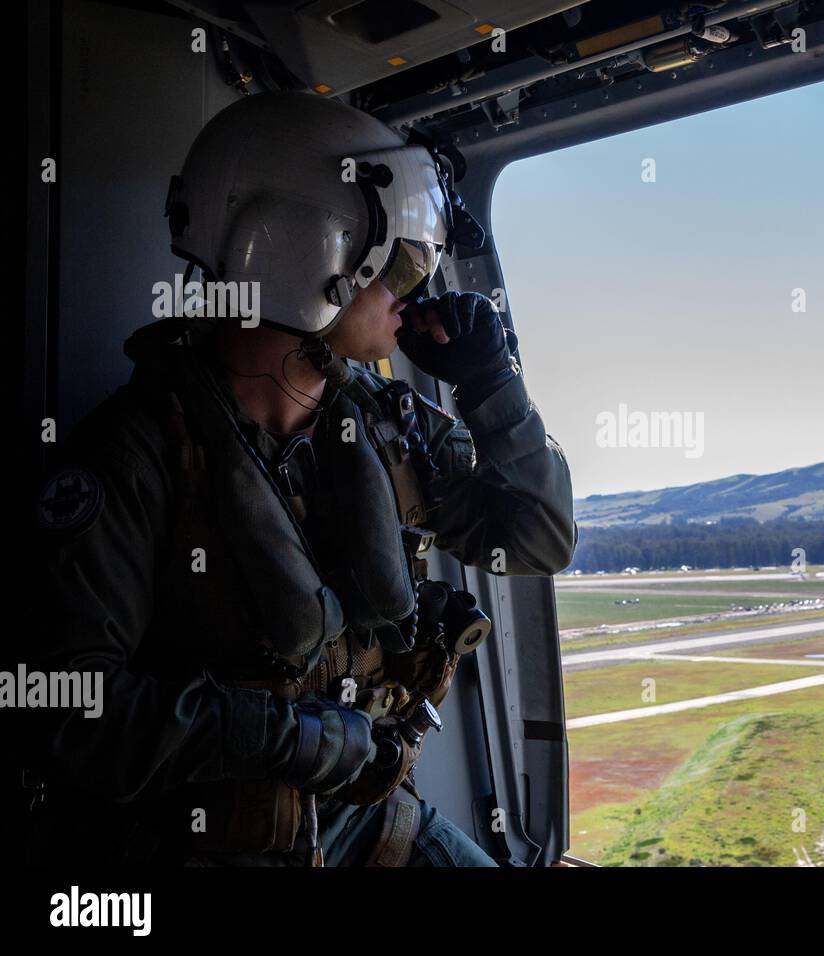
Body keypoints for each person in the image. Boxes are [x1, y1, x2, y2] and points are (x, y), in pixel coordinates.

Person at [24, 91, 577, 866]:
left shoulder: (391, 426)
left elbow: (540, 538)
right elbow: (67, 712)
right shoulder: (132, 455)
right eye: (405, 266)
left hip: (371, 822)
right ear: (312, 253)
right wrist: (298, 739)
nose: (416, 295)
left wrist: (491, 387)